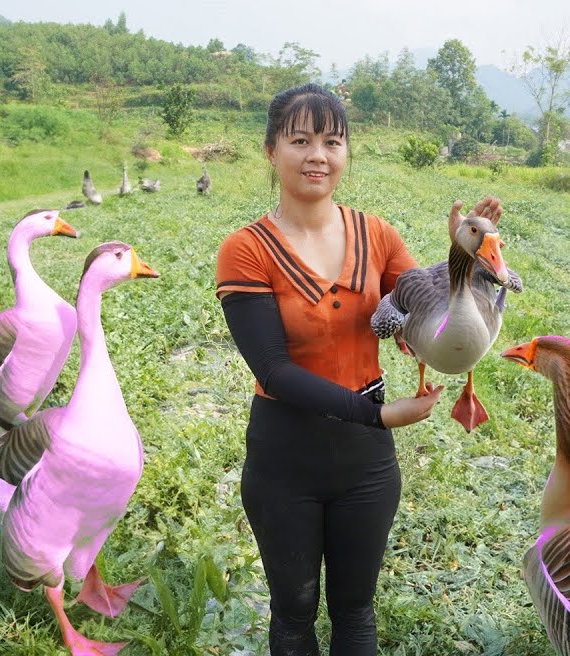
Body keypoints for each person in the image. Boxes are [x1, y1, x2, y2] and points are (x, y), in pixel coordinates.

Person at [214, 83, 502, 654]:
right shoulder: (246, 249)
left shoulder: (377, 235)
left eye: (332, 141)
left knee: (355, 611)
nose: (317, 155)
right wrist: (378, 416)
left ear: (346, 152)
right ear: (271, 150)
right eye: (300, 140)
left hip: (365, 467)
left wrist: (466, 257)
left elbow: (428, 311)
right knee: (293, 614)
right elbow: (273, 370)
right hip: (285, 459)